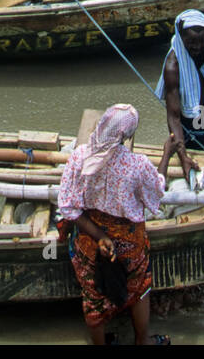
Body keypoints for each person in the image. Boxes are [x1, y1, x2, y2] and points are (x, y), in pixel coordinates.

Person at [56, 104, 177, 345]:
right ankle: (142, 341)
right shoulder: (137, 164)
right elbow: (157, 190)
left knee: (92, 293)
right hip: (129, 243)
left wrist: (100, 235)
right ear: (127, 136)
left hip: (90, 240)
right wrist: (166, 154)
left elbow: (68, 207)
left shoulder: (80, 155)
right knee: (139, 286)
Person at [156, 9, 204, 166]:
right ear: (182, 38)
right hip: (190, 127)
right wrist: (183, 157)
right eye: (191, 43)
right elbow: (173, 116)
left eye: (201, 42)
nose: (197, 47)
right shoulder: (173, 66)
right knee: (197, 165)